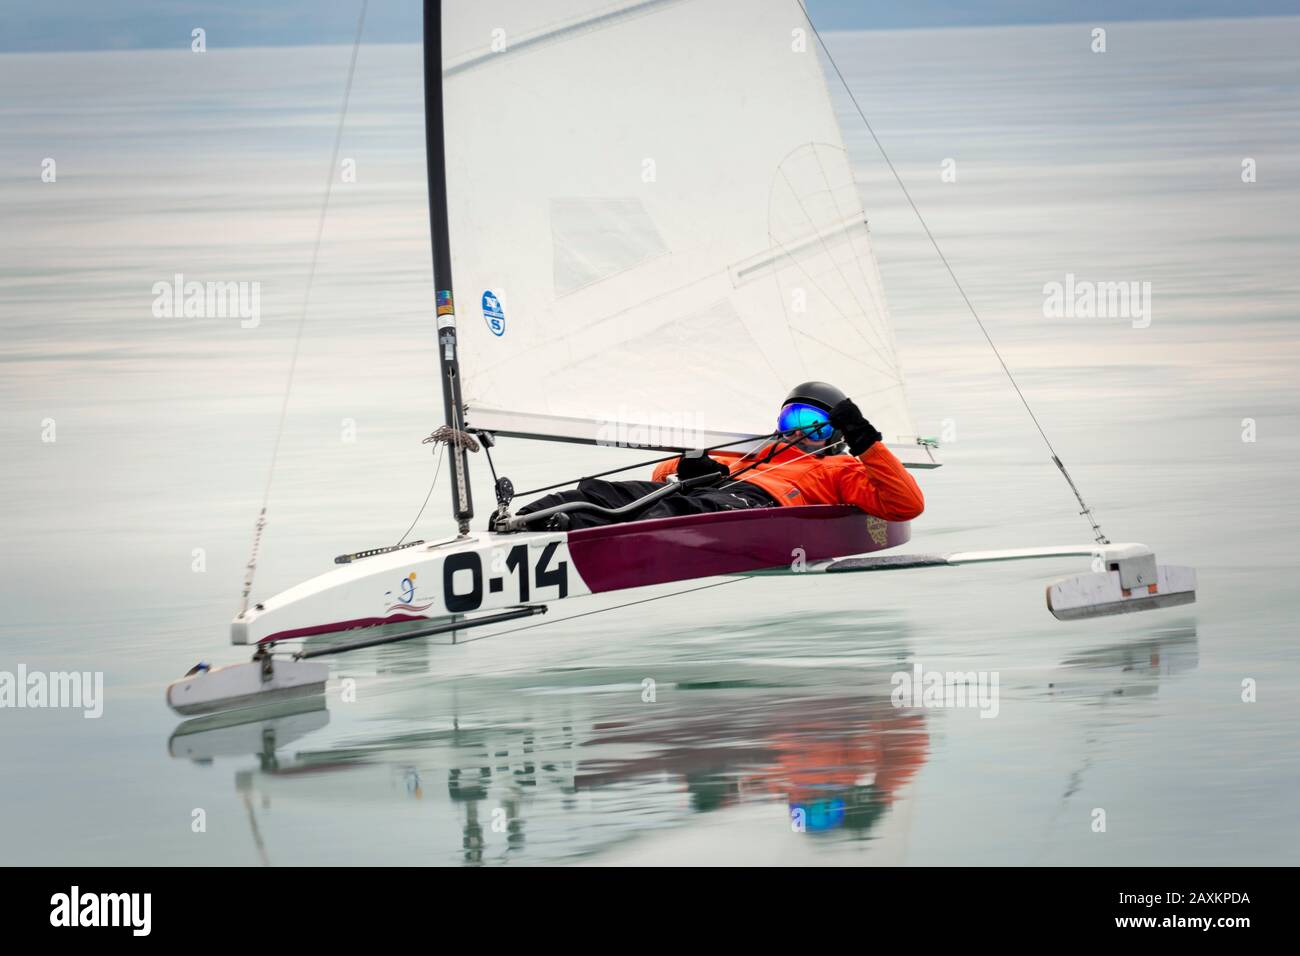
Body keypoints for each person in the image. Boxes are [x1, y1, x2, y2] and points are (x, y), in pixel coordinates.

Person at [514, 381, 925, 530]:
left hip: (757, 505)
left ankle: (586, 533)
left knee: (675, 511)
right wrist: (692, 464)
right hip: (708, 493)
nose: (799, 430)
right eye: (791, 417)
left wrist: (864, 438)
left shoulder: (838, 468)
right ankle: (525, 522)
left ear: (835, 432)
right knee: (604, 491)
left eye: (813, 421)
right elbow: (662, 476)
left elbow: (906, 505)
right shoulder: (754, 452)